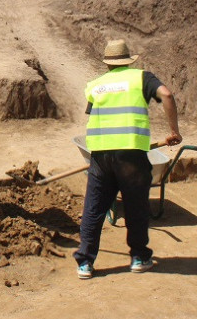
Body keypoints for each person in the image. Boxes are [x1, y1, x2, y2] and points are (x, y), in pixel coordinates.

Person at [74, 39, 181, 280]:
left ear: (108, 64)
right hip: (131, 154)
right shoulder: (140, 78)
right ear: (128, 60)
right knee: (136, 207)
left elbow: (93, 115)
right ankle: (139, 257)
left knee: (94, 208)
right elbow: (166, 94)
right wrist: (174, 130)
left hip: (101, 154)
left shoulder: (97, 85)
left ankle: (85, 263)